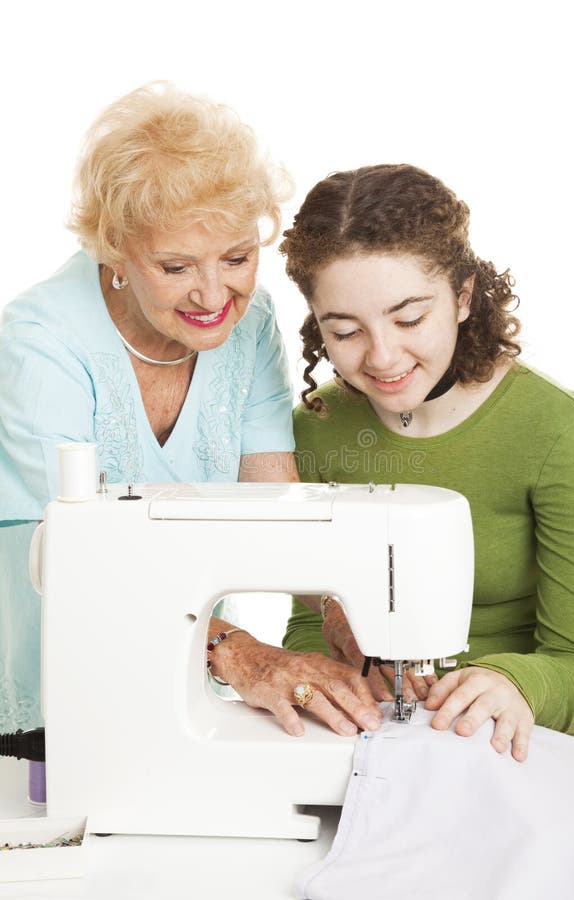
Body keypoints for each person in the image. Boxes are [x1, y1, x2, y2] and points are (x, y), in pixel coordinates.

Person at [0, 83, 381, 740]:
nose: (214, 294)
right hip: (44, 698)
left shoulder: (249, 320)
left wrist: (342, 608)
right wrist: (237, 652)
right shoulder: (41, 348)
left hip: (177, 678)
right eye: (175, 266)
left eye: (236, 257)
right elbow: (68, 564)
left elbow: (276, 498)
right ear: (115, 250)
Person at [280, 163, 574, 761]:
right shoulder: (317, 429)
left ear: (462, 296)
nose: (383, 357)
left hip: (511, 748)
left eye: (409, 319)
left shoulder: (553, 428)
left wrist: (517, 684)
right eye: (345, 330)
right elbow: (311, 623)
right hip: (369, 744)